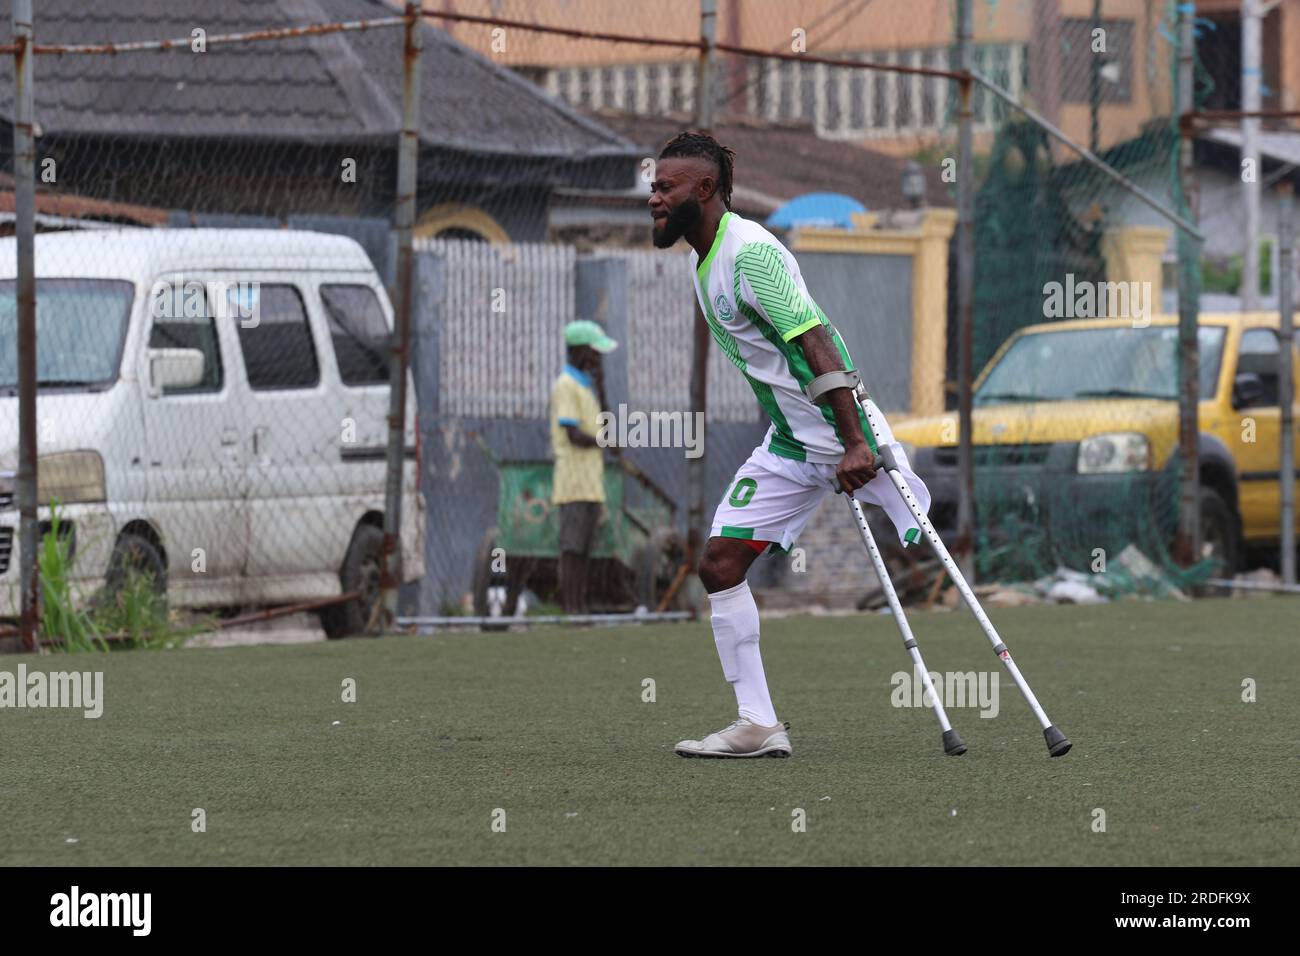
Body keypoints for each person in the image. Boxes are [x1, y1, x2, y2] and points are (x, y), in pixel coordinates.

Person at [649, 130, 931, 758]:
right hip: (790, 444)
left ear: (705, 189)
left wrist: (855, 442)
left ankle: (1017, 692)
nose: (655, 198)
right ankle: (758, 723)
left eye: (666, 188)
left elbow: (815, 340)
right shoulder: (704, 260)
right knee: (720, 563)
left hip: (842, 430)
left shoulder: (750, 253)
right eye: (653, 188)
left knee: (924, 540)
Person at [550, 319, 617, 615]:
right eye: (595, 353)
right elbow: (573, 434)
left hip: (591, 481)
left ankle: (579, 607)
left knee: (585, 549)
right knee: (572, 549)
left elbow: (605, 422)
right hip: (573, 481)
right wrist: (604, 442)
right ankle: (571, 608)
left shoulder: (586, 386)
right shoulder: (565, 385)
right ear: (580, 352)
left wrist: (602, 386)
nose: (598, 359)